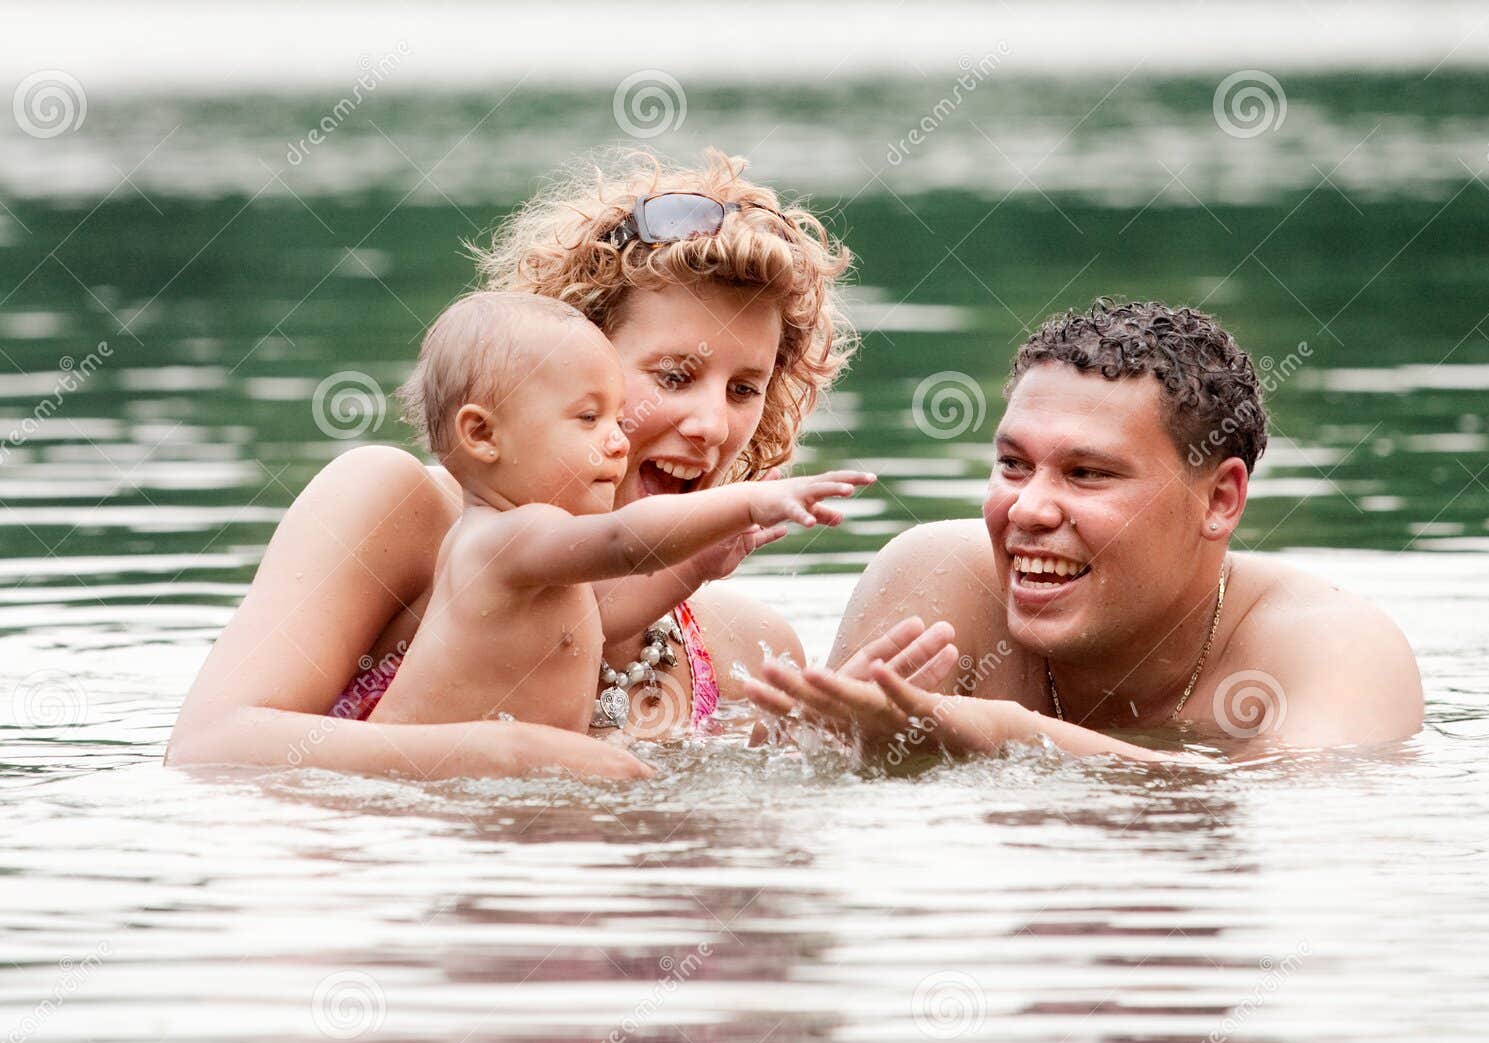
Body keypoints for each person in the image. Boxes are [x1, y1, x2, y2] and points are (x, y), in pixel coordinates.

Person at [166, 148, 951, 781]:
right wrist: (509, 753)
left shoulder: (744, 642)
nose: (714, 425)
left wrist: (821, 753)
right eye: (675, 375)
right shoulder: (400, 510)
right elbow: (212, 749)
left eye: (745, 388)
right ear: (571, 356)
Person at [745, 299, 1425, 760]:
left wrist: (1007, 736)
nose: (1028, 509)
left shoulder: (1332, 646)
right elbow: (795, 796)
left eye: (1087, 473)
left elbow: (1288, 815)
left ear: (1220, 499)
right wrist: (793, 751)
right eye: (1013, 465)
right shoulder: (937, 586)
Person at [363, 289, 872, 734]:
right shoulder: (503, 537)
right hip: (435, 788)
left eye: (743, 389)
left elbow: (605, 616)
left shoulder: (536, 565)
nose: (617, 440)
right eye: (589, 417)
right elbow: (621, 541)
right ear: (482, 434)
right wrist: (747, 502)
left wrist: (697, 565)